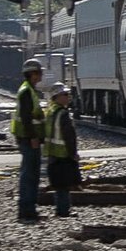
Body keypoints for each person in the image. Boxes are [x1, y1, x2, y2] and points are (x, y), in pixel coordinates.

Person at [13, 58, 49, 225]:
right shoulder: (26, 92)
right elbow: (27, 118)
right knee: (29, 176)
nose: (41, 74)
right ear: (33, 74)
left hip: (29, 139)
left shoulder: (30, 90)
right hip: (28, 139)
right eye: (39, 72)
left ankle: (30, 209)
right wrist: (33, 137)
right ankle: (26, 211)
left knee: (32, 175)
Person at [46, 85, 80, 220]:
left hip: (52, 153)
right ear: (57, 97)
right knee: (64, 184)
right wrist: (73, 153)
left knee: (58, 184)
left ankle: (60, 209)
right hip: (63, 153)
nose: (68, 97)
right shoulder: (63, 114)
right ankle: (63, 211)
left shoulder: (51, 111)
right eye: (65, 95)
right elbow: (68, 136)